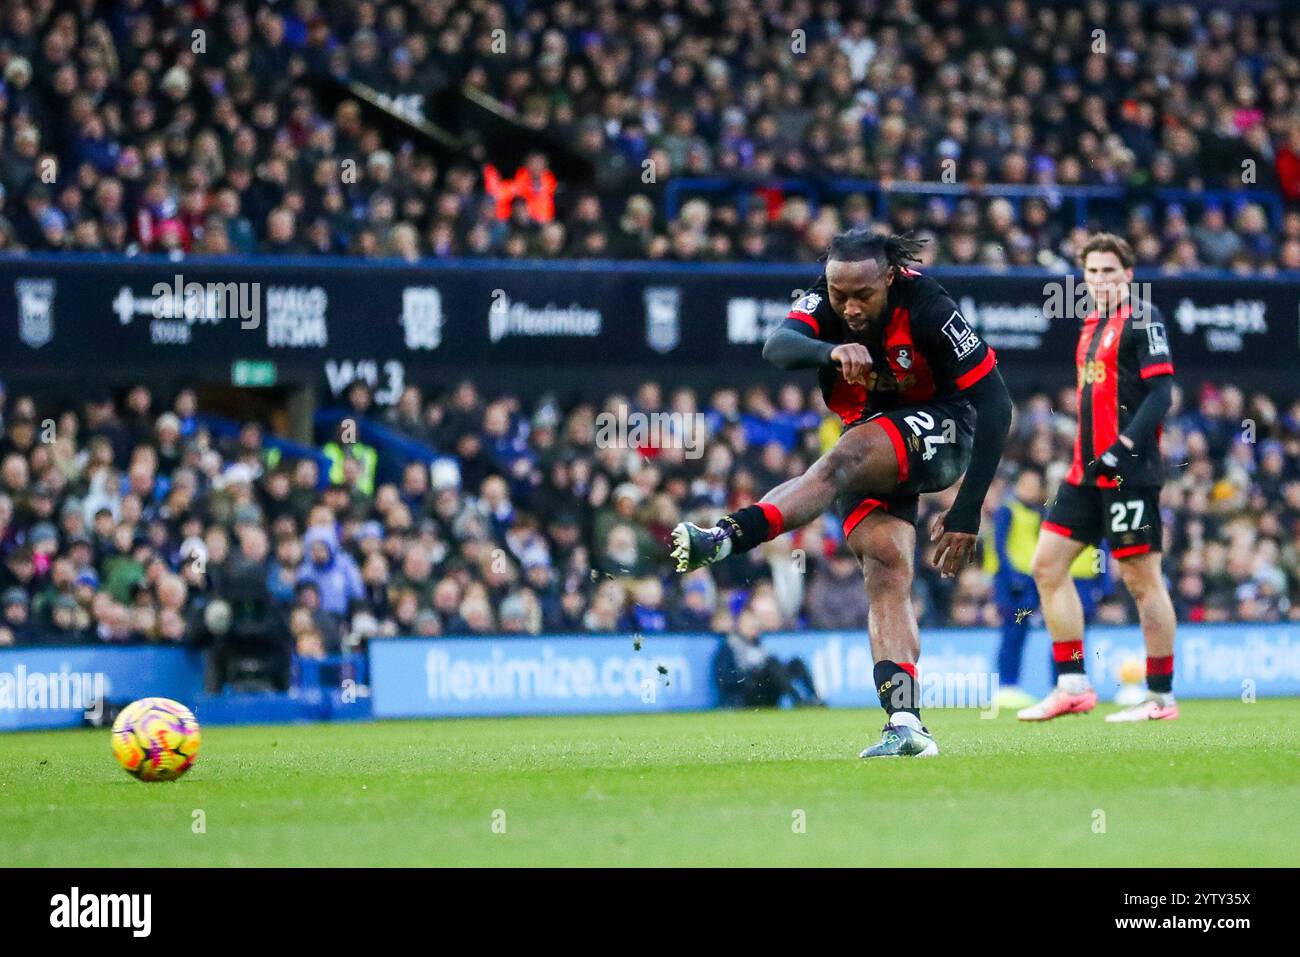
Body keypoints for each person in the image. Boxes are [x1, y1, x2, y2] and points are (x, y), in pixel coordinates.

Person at [673, 230, 1013, 757]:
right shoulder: (828, 303)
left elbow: (996, 406)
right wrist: (832, 350)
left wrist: (967, 510)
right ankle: (906, 723)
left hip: (945, 428)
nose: (850, 307)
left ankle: (726, 536)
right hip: (876, 433)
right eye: (839, 295)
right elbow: (777, 347)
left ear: (891, 278)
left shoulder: (930, 306)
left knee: (842, 459)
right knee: (885, 569)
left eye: (863, 295)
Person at [1020, 233, 1179, 722]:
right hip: (1083, 474)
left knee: (1141, 581)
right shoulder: (1090, 324)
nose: (1101, 279)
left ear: (1128, 276)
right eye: (1092, 272)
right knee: (1046, 566)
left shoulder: (1142, 318)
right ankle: (1071, 685)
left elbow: (1160, 394)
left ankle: (1159, 697)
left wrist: (1125, 445)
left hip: (1128, 473)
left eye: (1110, 270)